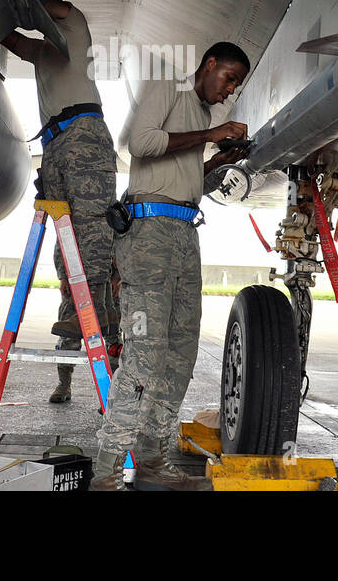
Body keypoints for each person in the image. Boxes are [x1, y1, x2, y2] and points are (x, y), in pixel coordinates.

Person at [90, 41, 251, 490]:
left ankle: (151, 458)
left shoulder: (199, 116)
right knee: (144, 354)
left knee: (180, 353)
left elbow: (181, 178)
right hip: (150, 234)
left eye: (237, 86)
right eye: (229, 78)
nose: (229, 92)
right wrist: (210, 136)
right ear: (210, 64)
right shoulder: (169, 86)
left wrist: (218, 159)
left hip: (184, 233)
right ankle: (105, 470)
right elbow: (139, 144)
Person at [2, 0, 119, 404]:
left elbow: (55, 7)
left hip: (84, 134)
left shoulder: (75, 29)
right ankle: (66, 376)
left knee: (94, 236)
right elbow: (13, 40)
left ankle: (103, 323)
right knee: (67, 255)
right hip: (54, 144)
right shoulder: (40, 54)